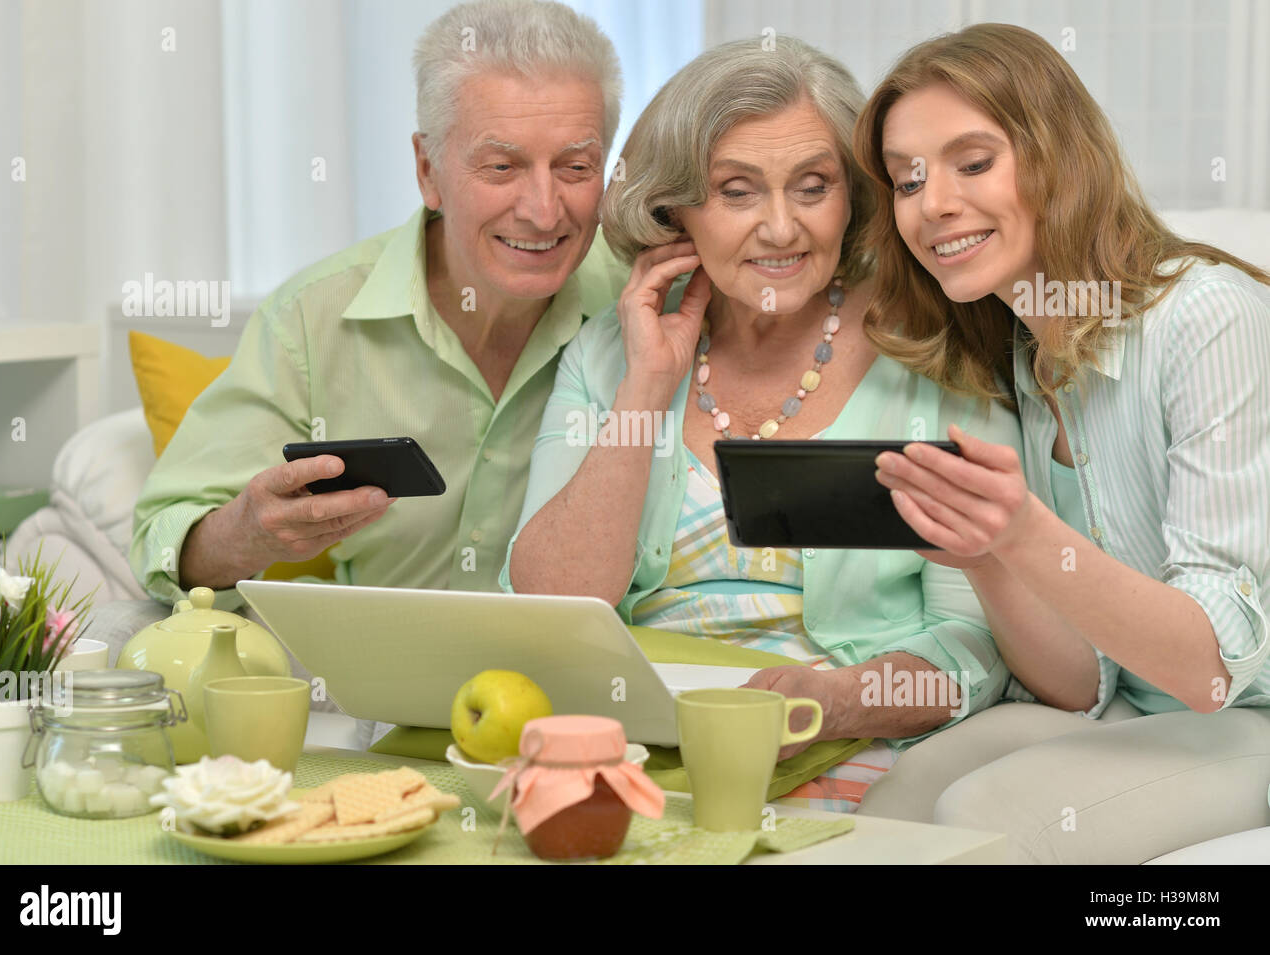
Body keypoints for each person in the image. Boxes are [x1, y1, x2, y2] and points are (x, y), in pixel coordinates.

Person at [501, 36, 1022, 812]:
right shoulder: (614, 351)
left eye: (812, 187)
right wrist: (647, 386)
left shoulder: (934, 351)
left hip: (842, 746)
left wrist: (836, 698)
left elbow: (979, 645)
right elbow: (547, 605)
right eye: (738, 192)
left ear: (854, 197)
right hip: (638, 737)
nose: (781, 229)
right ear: (673, 208)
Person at [851, 22, 1270, 861]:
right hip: (1133, 714)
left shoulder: (1206, 318)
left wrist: (1023, 534)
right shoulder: (1025, 348)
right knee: (892, 802)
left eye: (974, 163)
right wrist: (983, 555)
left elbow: (1212, 674)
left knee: (987, 813)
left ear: (1060, 160)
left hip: (1243, 716)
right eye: (908, 179)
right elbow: (1081, 682)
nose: (932, 204)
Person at [129, 0, 628, 612]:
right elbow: (164, 543)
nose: (545, 210)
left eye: (576, 167)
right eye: (502, 167)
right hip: (374, 690)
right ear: (428, 169)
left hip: (589, 687)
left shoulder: (650, 305)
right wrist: (249, 533)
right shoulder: (311, 320)